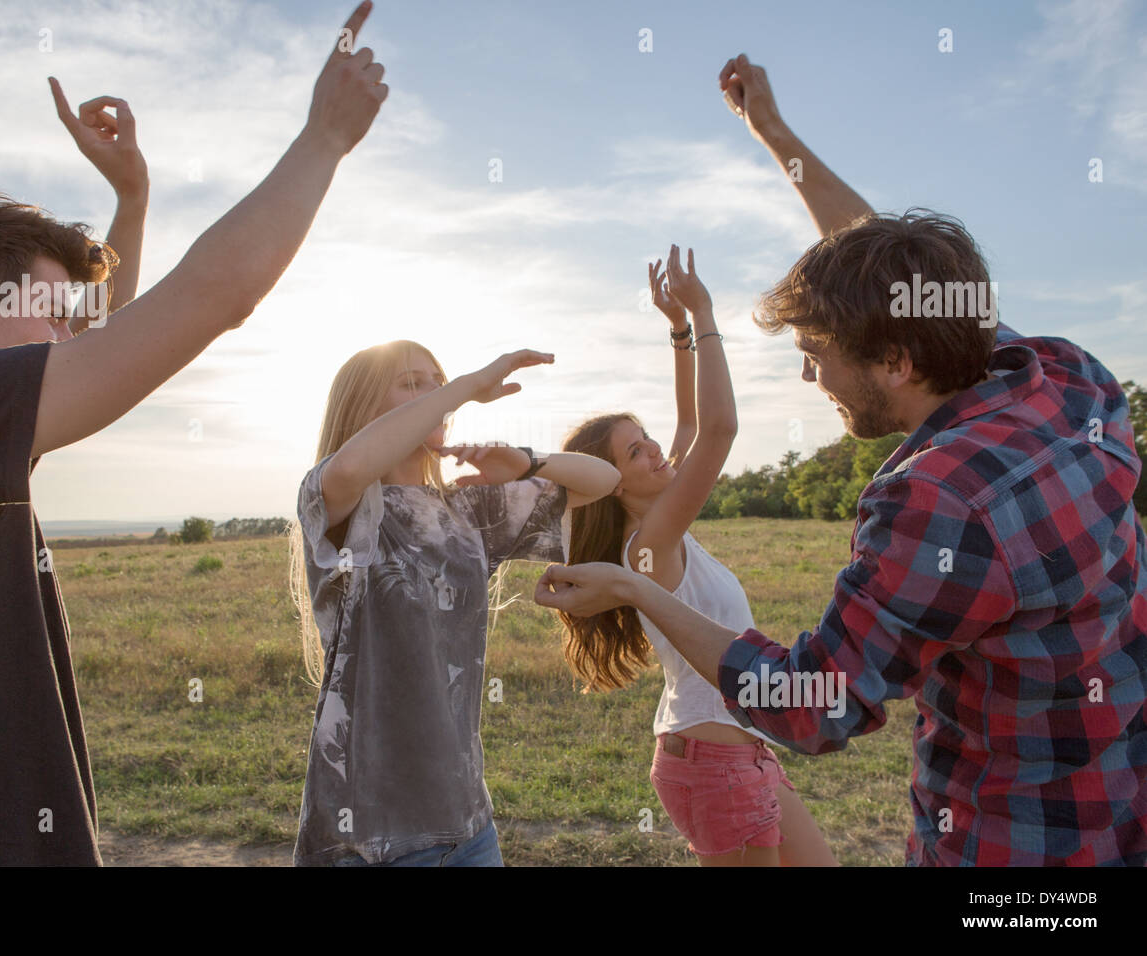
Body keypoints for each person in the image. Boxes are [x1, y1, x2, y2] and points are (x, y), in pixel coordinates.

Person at [534, 55, 1147, 866]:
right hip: (1120, 806)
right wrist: (774, 136)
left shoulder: (935, 499)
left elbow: (809, 705)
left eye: (816, 351)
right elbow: (907, 280)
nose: (807, 373)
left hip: (1013, 848)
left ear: (895, 360)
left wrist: (627, 585)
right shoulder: (1063, 377)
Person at [0, 1, 387, 865]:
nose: (71, 338)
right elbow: (212, 296)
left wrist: (131, 197)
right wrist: (324, 137)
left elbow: (105, 342)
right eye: (51, 315)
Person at [289, 340, 619, 866]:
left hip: (467, 823)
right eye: (413, 383)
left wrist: (527, 461)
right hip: (368, 836)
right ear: (365, 408)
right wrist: (465, 387)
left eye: (437, 381)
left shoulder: (467, 508)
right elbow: (352, 467)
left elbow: (605, 481)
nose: (437, 395)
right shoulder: (339, 500)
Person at [557, 245, 835, 866]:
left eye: (646, 438)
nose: (656, 450)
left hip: (742, 747)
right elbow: (717, 428)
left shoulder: (658, 526)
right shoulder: (648, 546)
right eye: (635, 453)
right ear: (612, 485)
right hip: (713, 760)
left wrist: (679, 329)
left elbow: (688, 421)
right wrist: (706, 311)